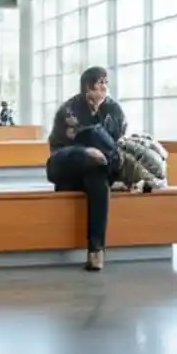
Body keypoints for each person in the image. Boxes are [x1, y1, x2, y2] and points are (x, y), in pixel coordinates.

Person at [46, 66, 127, 272]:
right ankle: (111, 167)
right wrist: (86, 151)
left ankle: (96, 250)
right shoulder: (69, 110)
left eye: (105, 83)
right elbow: (62, 146)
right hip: (66, 164)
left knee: (97, 180)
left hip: (99, 167)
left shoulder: (113, 110)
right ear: (87, 87)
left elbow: (117, 140)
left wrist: (101, 154)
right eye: (99, 83)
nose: (104, 87)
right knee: (92, 136)